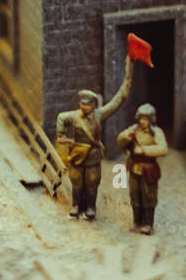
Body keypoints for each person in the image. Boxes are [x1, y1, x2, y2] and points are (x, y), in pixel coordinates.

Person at [55, 54, 133, 220]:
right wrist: (61, 135)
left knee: (92, 182)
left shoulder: (99, 115)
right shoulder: (74, 116)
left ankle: (90, 207)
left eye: (88, 104)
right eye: (82, 104)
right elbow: (61, 117)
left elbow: (116, 102)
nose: (84, 107)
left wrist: (126, 80)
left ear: (93, 104)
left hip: (92, 155)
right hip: (77, 153)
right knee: (76, 181)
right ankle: (76, 206)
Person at [117, 103, 167, 234]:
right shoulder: (134, 129)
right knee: (135, 195)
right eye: (141, 118)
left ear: (151, 120)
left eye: (146, 119)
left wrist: (144, 150)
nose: (142, 122)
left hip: (148, 169)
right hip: (134, 167)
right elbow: (120, 140)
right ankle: (137, 222)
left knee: (148, 196)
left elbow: (163, 148)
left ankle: (148, 224)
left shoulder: (156, 132)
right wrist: (125, 138)